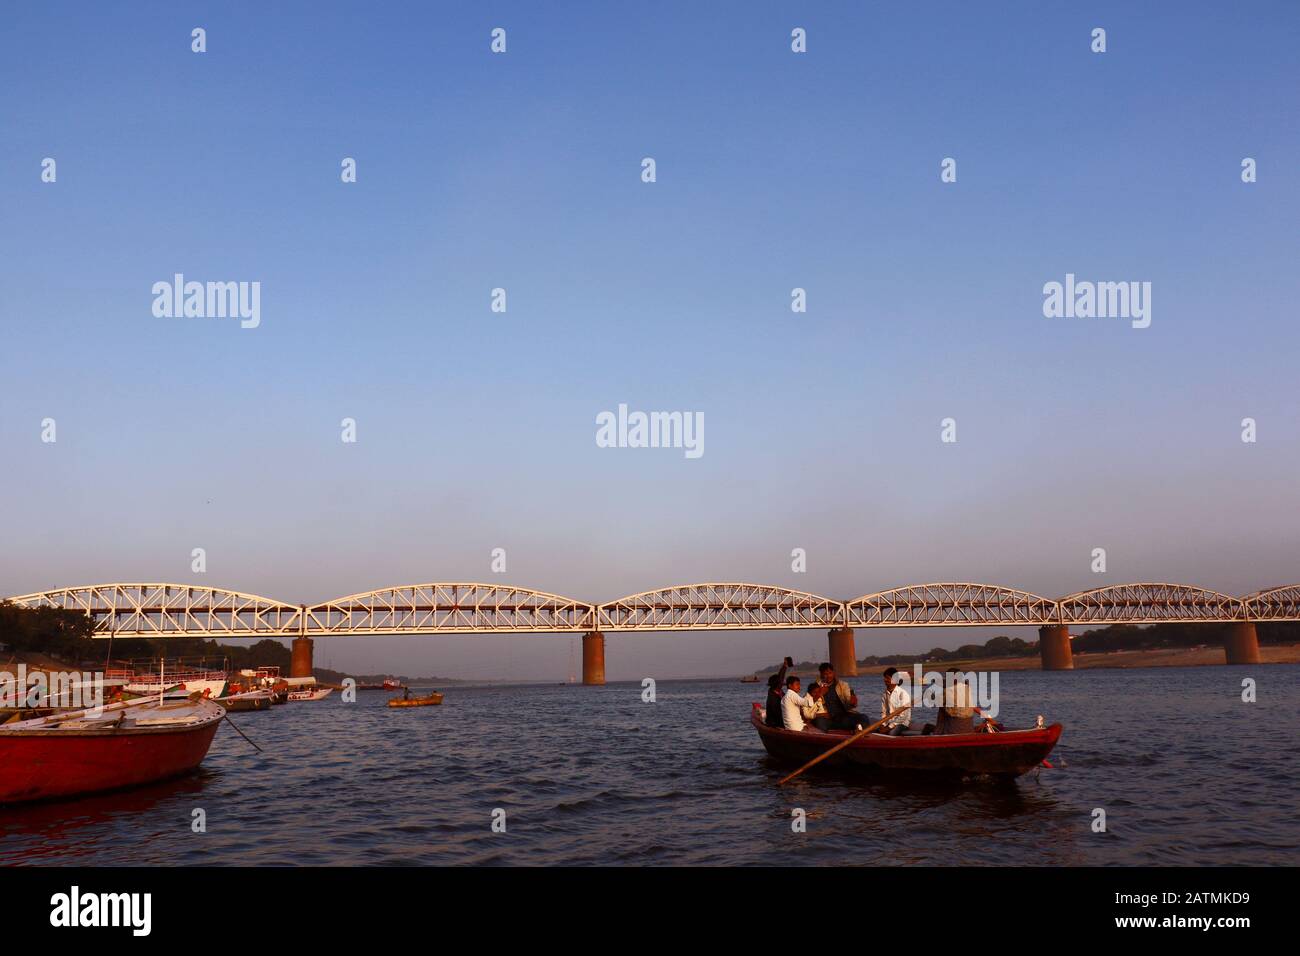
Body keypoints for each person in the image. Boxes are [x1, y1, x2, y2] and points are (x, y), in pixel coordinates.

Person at [817, 662, 862, 731]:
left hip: (842, 717)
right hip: (827, 718)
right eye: (825, 674)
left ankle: (858, 731)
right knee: (819, 722)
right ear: (821, 675)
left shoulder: (843, 685)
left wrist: (852, 702)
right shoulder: (816, 687)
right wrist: (820, 693)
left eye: (830, 673)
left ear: (833, 673)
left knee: (863, 717)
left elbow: (848, 699)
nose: (828, 676)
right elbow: (809, 702)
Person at [934, 668, 977, 735]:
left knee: (942, 708)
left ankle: (937, 733)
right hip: (969, 728)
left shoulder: (947, 691)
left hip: (953, 729)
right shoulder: (968, 688)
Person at [878, 667, 912, 735]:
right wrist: (882, 724)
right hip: (889, 722)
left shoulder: (903, 694)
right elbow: (884, 712)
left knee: (891, 733)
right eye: (884, 678)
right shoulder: (884, 694)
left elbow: (903, 716)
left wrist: (888, 728)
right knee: (876, 732)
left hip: (901, 723)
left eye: (887, 678)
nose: (885, 680)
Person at [764, 656, 794, 727]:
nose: (783, 683)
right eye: (781, 682)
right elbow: (777, 714)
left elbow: (781, 676)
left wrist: (785, 665)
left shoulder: (778, 691)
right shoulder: (773, 698)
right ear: (777, 685)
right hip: (775, 723)